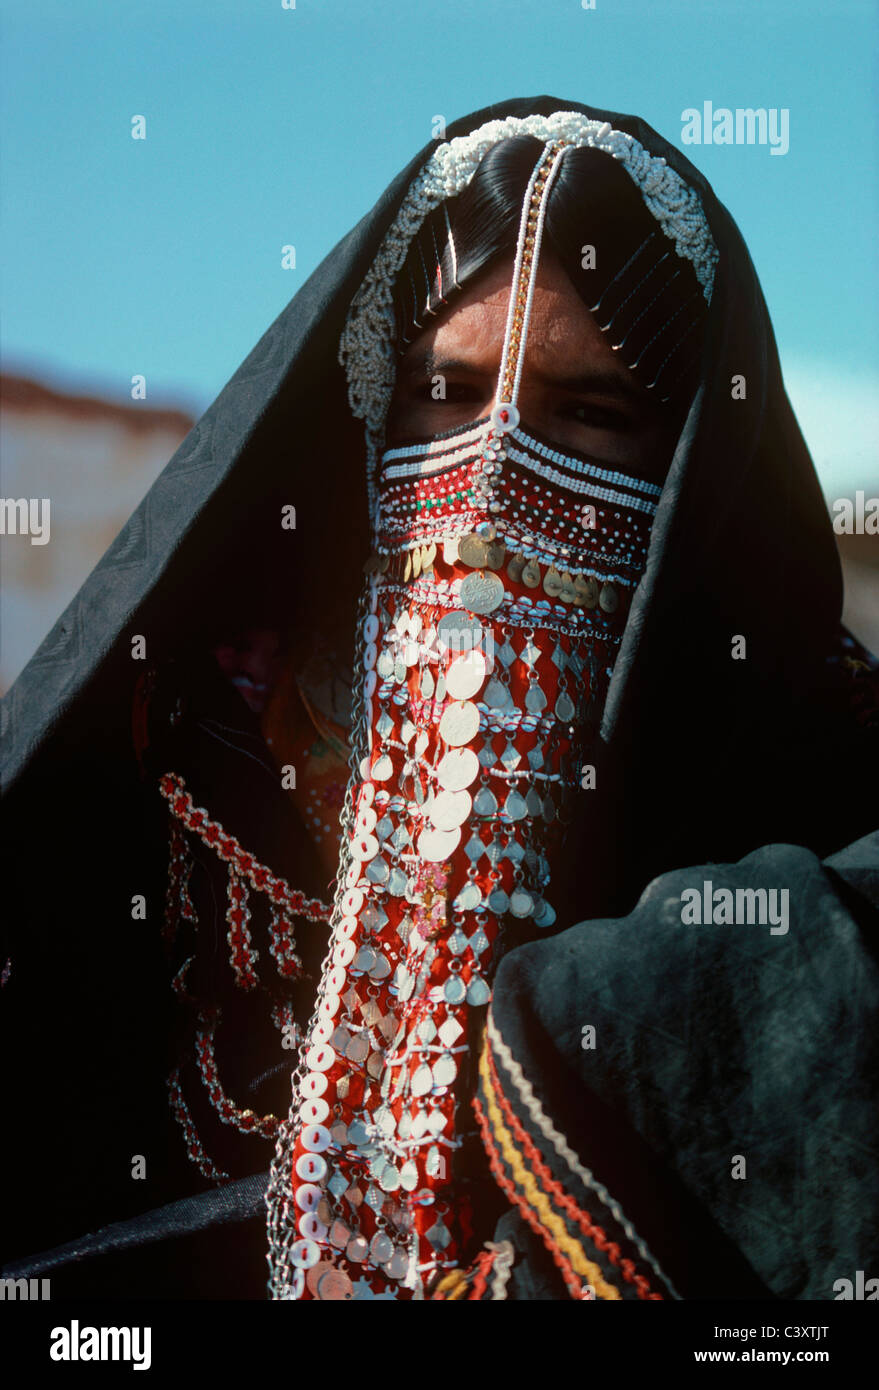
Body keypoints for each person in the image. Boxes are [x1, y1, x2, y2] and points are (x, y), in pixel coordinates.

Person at [2, 96, 876, 1303]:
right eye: (448, 394)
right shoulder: (199, 750)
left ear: (686, 462)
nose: (496, 473)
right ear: (373, 416)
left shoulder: (816, 756)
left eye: (592, 412)